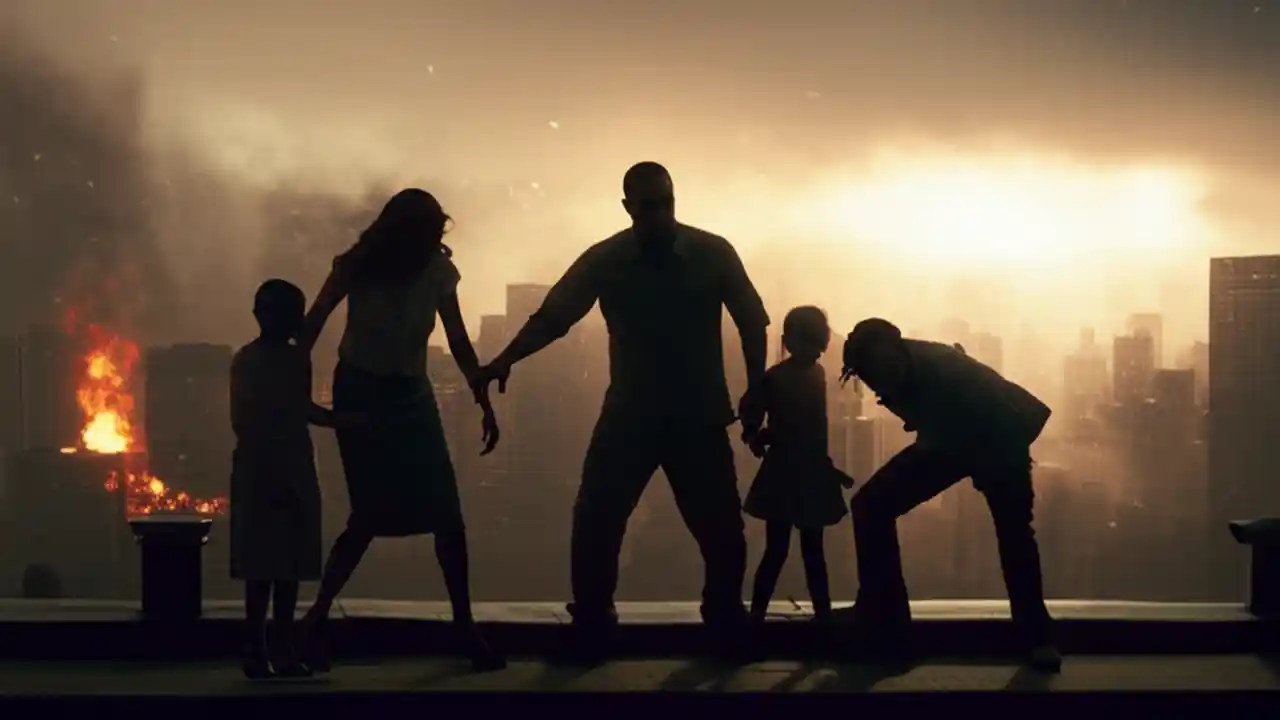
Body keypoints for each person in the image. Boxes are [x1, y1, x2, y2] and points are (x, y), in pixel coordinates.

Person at [476, 162, 770, 662]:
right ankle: (594, 620)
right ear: (629, 207)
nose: (659, 216)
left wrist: (758, 389)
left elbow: (752, 320)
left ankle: (722, 617)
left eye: (666, 204)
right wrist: (506, 358)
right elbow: (554, 316)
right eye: (649, 206)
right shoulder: (608, 259)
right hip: (632, 413)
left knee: (719, 527)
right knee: (597, 518)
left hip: (694, 414)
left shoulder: (711, 252)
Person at [295, 189, 504, 672]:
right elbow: (314, 324)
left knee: (447, 516)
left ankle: (463, 626)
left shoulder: (436, 271)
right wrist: (293, 388)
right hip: (363, 393)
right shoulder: (357, 265)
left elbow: (456, 337)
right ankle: (317, 619)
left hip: (411, 395)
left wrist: (481, 397)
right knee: (368, 514)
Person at [839, 317, 1062, 672]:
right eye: (868, 376)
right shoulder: (894, 366)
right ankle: (883, 615)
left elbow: (983, 415)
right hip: (951, 440)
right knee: (870, 506)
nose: (876, 382)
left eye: (877, 371)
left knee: (1015, 534)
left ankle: (1037, 637)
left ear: (895, 350)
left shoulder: (941, 369)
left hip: (998, 438)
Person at [230, 279, 363, 679]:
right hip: (278, 464)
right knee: (279, 566)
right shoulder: (285, 360)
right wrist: (342, 422)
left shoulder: (250, 360)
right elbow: (298, 410)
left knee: (269, 566)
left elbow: (263, 416)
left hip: (265, 464)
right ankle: (275, 650)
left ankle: (263, 651)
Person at [740, 306, 853, 625]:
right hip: (803, 472)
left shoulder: (783, 376)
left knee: (783, 550)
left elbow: (758, 410)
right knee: (803, 551)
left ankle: (760, 616)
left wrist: (757, 435)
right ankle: (821, 616)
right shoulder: (808, 376)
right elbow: (808, 427)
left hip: (791, 471)